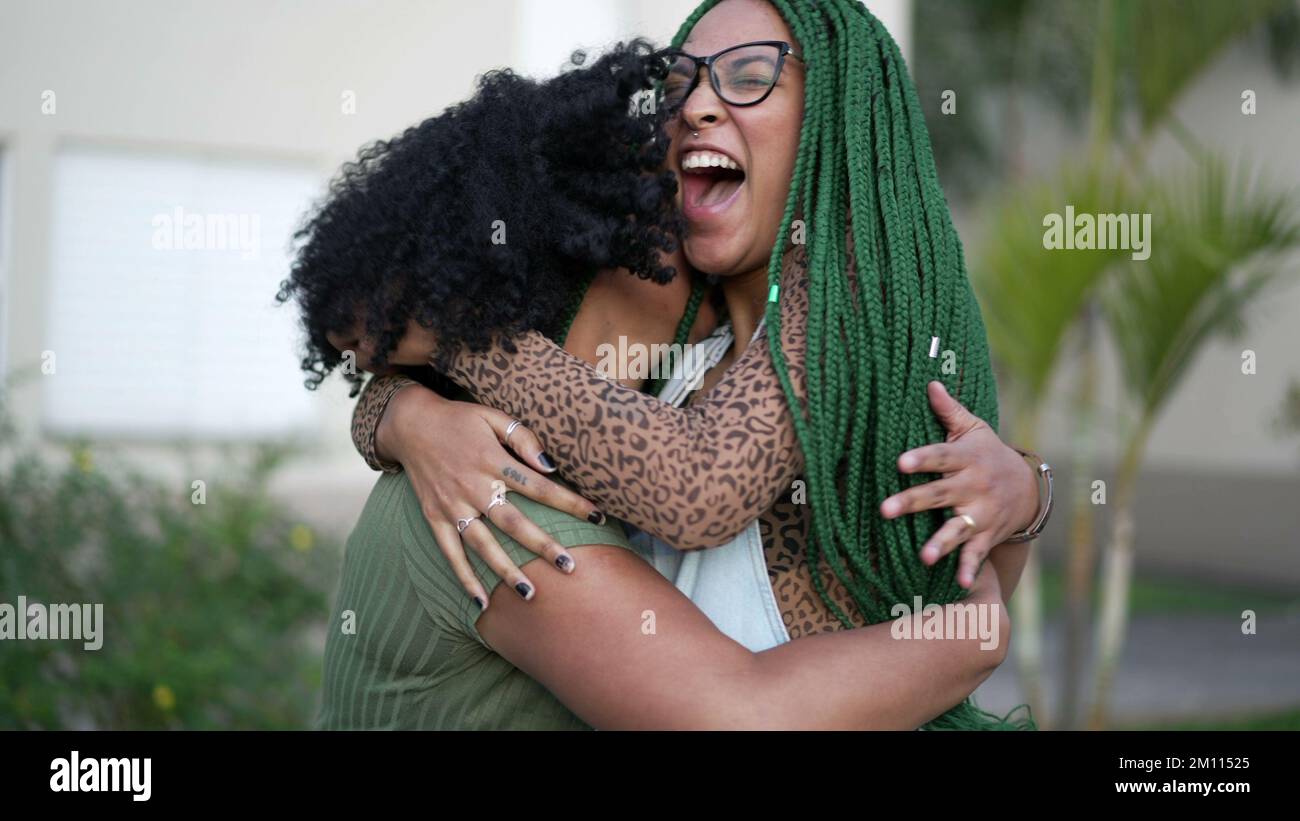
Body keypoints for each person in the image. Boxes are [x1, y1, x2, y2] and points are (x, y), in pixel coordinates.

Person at [303, 0, 1048, 729]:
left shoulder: (859, 318)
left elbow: (704, 491)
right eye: (680, 82)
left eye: (751, 73)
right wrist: (404, 413)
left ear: (835, 124)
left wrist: (1027, 496)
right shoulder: (683, 352)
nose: (695, 105)